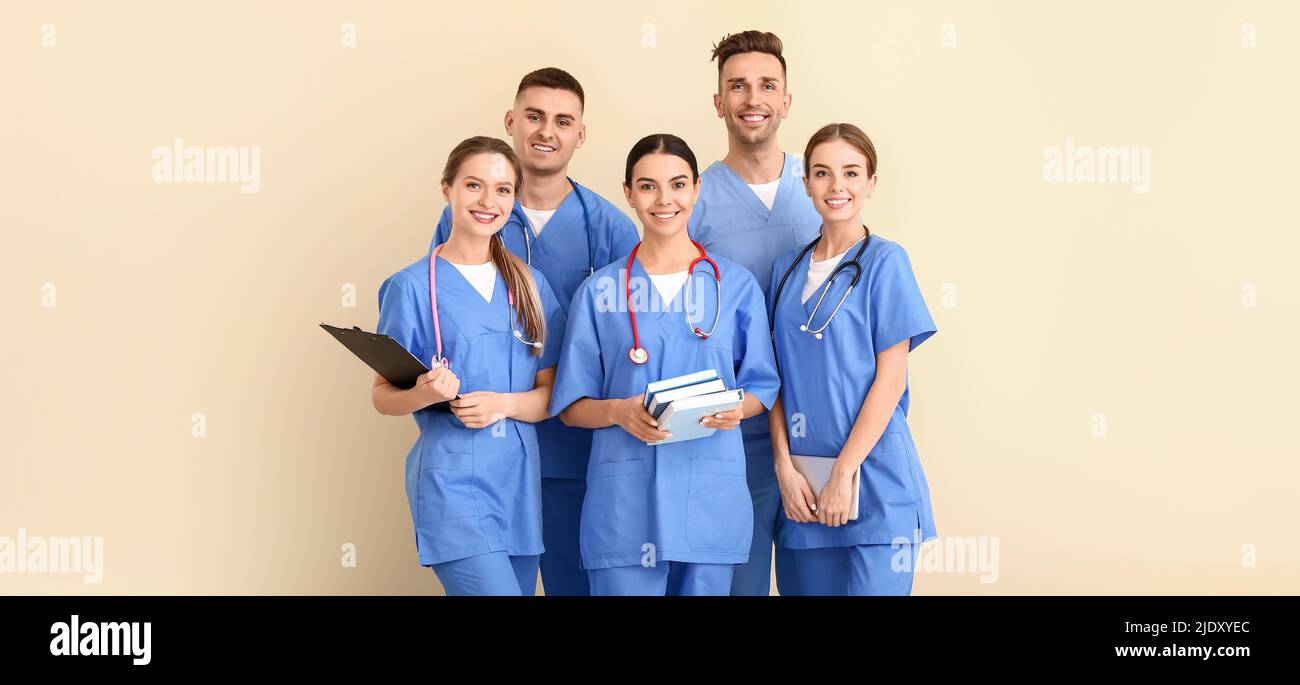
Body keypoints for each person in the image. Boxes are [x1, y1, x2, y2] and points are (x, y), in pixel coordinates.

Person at [430, 68, 639, 596]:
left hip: (578, 449)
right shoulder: (473, 212)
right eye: (534, 116)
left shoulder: (611, 227)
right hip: (484, 448)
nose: (546, 131)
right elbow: (439, 321)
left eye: (562, 120)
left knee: (575, 584)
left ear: (580, 134)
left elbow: (628, 338)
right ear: (511, 121)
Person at [548, 134, 780, 595]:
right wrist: (618, 411)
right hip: (624, 504)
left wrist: (738, 408)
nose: (664, 199)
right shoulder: (599, 293)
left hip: (707, 495)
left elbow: (761, 388)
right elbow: (572, 405)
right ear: (629, 193)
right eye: (648, 186)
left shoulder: (733, 286)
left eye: (677, 184)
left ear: (696, 189)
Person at [374, 136, 566, 595]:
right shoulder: (411, 287)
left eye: (502, 190)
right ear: (448, 189)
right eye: (474, 185)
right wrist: (426, 393)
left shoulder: (531, 285)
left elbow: (553, 395)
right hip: (452, 482)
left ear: (514, 199)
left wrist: (503, 404)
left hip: (518, 484)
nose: (488, 201)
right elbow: (381, 395)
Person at [767, 123, 938, 595]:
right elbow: (773, 379)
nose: (836, 186)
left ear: (871, 183)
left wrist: (845, 473)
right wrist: (783, 466)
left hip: (875, 480)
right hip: (804, 488)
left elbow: (891, 379)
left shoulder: (886, 262)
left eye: (851, 172)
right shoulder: (785, 270)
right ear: (805, 183)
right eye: (822, 173)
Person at [688, 30, 823, 595]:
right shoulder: (693, 201)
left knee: (816, 580)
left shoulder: (822, 189)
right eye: (737, 86)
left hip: (819, 424)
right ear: (718, 102)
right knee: (736, 582)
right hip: (732, 429)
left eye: (767, 85)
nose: (752, 98)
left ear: (786, 101)